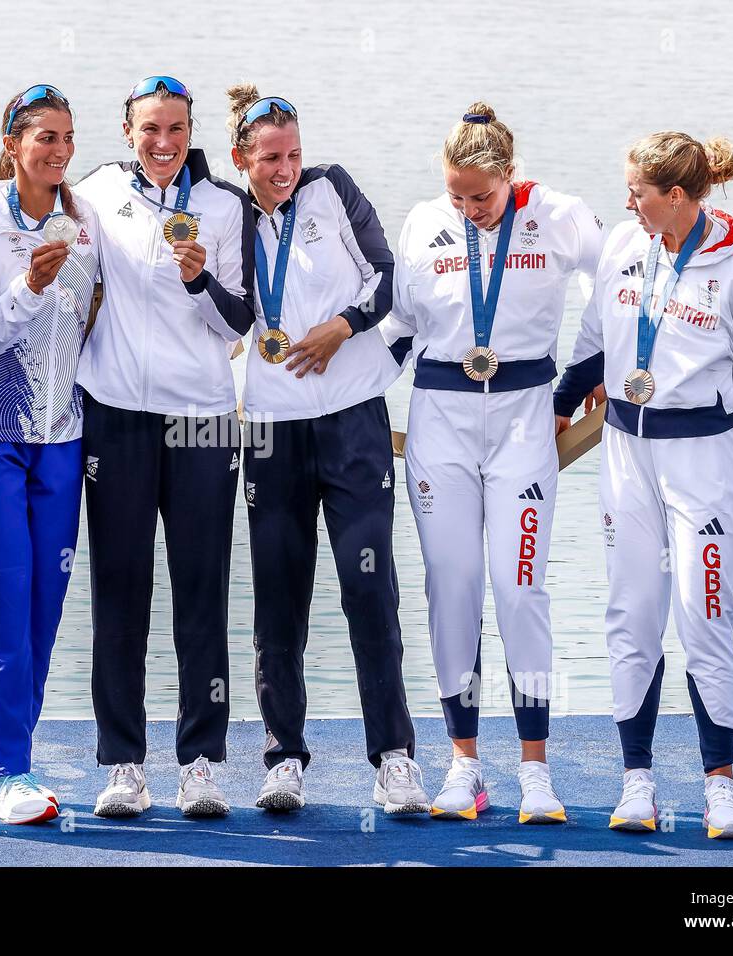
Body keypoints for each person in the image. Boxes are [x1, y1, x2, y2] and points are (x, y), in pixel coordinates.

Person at [554, 132, 733, 839]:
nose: (628, 200)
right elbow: (594, 342)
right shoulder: (625, 243)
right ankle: (637, 783)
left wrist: (704, 436)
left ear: (677, 196)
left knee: (704, 614)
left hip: (702, 459)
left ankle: (721, 790)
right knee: (631, 612)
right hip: (625, 452)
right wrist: (562, 402)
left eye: (639, 190)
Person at [385, 102, 604, 823]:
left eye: (482, 195)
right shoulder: (423, 222)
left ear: (511, 174)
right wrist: (345, 399)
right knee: (451, 587)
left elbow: (623, 290)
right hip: (439, 419)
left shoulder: (562, 215)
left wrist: (581, 384)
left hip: (523, 420)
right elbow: (397, 326)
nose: (469, 208)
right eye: (457, 194)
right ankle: (464, 766)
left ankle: (536, 772)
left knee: (519, 591)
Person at [224, 84, 427, 815]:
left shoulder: (333, 190)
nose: (285, 169)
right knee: (279, 597)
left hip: (353, 420)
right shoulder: (226, 212)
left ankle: (395, 757)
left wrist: (343, 325)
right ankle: (283, 756)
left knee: (369, 587)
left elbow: (387, 278)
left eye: (294, 154)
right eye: (271, 158)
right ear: (243, 157)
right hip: (273, 427)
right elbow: (215, 304)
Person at [73, 76, 256, 818]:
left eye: (176, 130)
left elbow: (242, 321)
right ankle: (123, 764)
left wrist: (200, 280)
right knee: (118, 592)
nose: (163, 144)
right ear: (127, 131)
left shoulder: (223, 206)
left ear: (191, 132)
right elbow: (18, 216)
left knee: (202, 591)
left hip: (203, 419)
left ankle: (202, 763)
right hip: (115, 415)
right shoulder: (92, 195)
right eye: (150, 129)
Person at [0, 85, 100, 825]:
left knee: (43, 607)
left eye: (68, 138)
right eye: (45, 138)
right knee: (0, 598)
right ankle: (10, 767)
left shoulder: (85, 223)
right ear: (13, 145)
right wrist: (27, 287)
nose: (59, 150)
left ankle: (3, 757)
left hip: (62, 440)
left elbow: (99, 326)